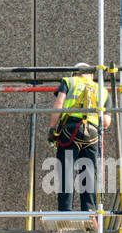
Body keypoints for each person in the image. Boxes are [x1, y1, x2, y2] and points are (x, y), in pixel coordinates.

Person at [47, 63, 111, 213]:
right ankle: (89, 210)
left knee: (67, 170)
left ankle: (65, 210)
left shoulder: (69, 82)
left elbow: (59, 104)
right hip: (92, 135)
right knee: (89, 172)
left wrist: (52, 128)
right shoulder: (102, 90)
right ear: (92, 75)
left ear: (75, 73)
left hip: (70, 129)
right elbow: (107, 122)